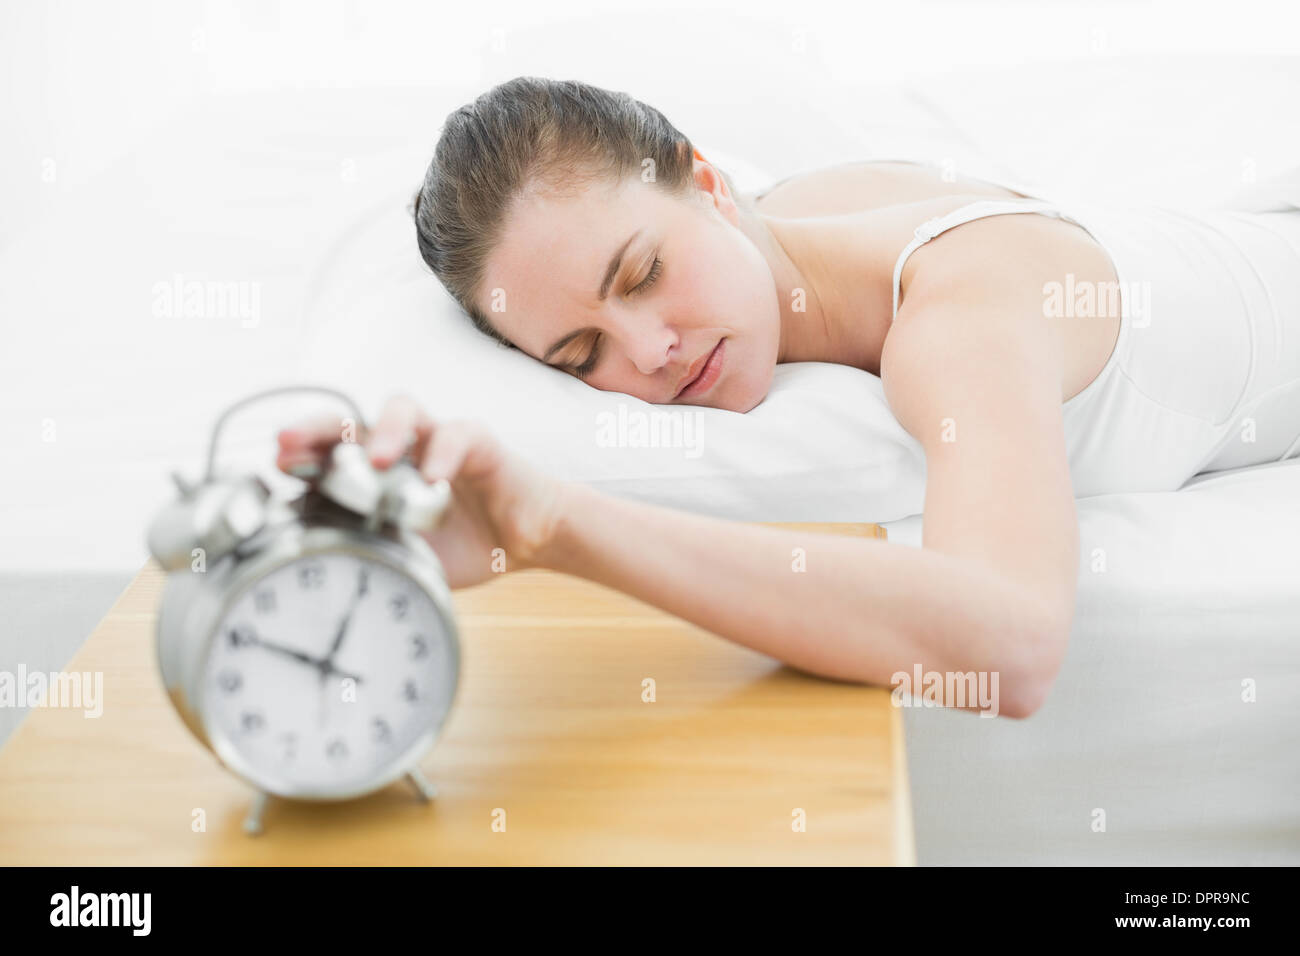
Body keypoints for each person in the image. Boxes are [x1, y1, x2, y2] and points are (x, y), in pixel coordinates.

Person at [278, 77, 1300, 718]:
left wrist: (554, 523)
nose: (650, 351)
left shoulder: (961, 329)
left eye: (639, 273)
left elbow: (1009, 650)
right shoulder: (790, 226)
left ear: (710, 184)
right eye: (580, 352)